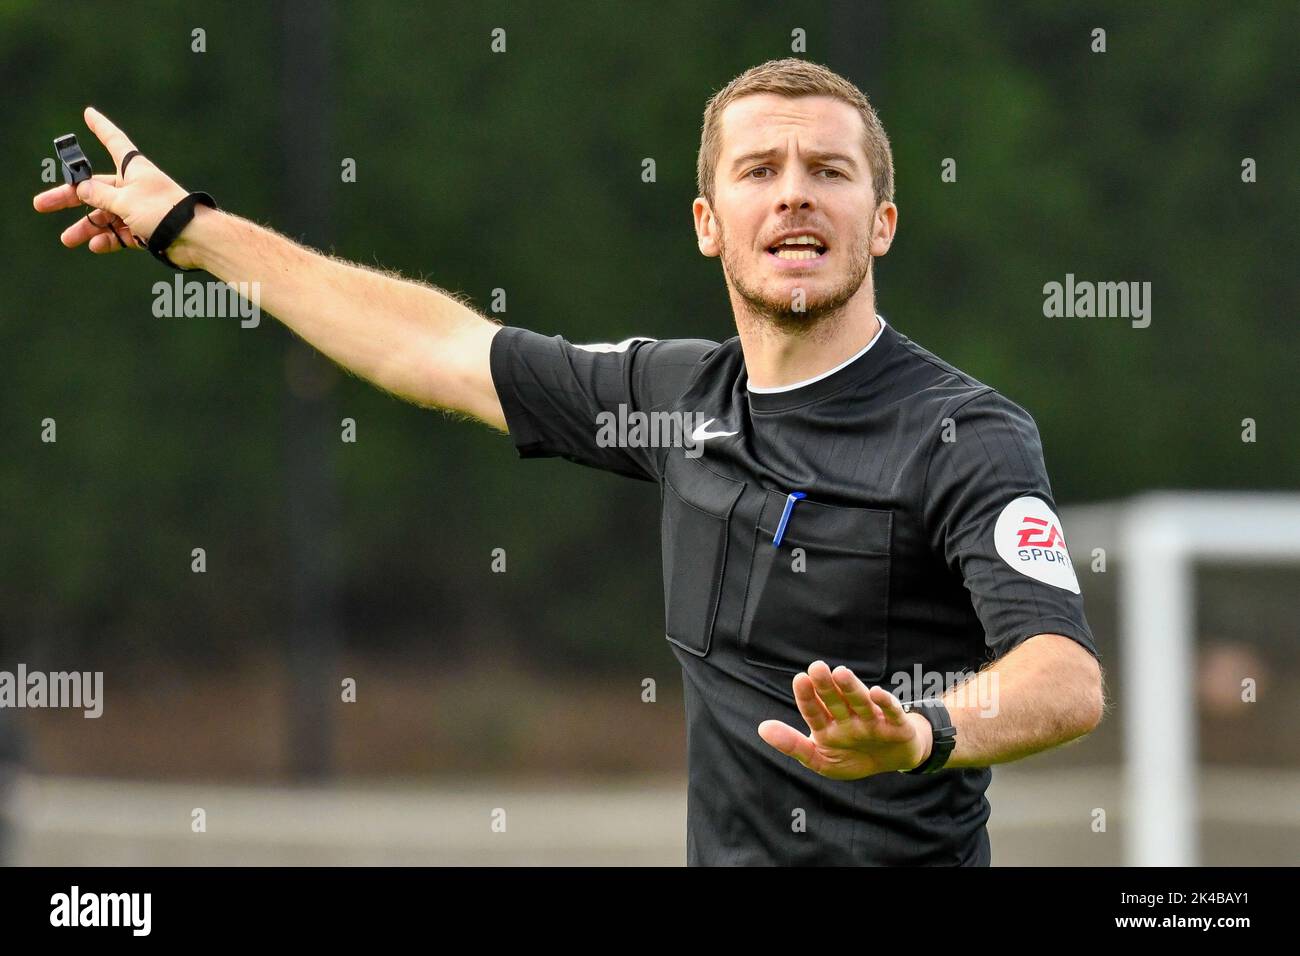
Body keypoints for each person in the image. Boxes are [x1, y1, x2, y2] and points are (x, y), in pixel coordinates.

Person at [34, 58, 1105, 866]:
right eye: (759, 170)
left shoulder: (965, 431)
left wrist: (922, 729)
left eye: (829, 171)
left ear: (878, 224)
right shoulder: (672, 396)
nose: (793, 194)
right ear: (707, 221)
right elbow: (429, 343)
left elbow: (1063, 678)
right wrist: (191, 228)